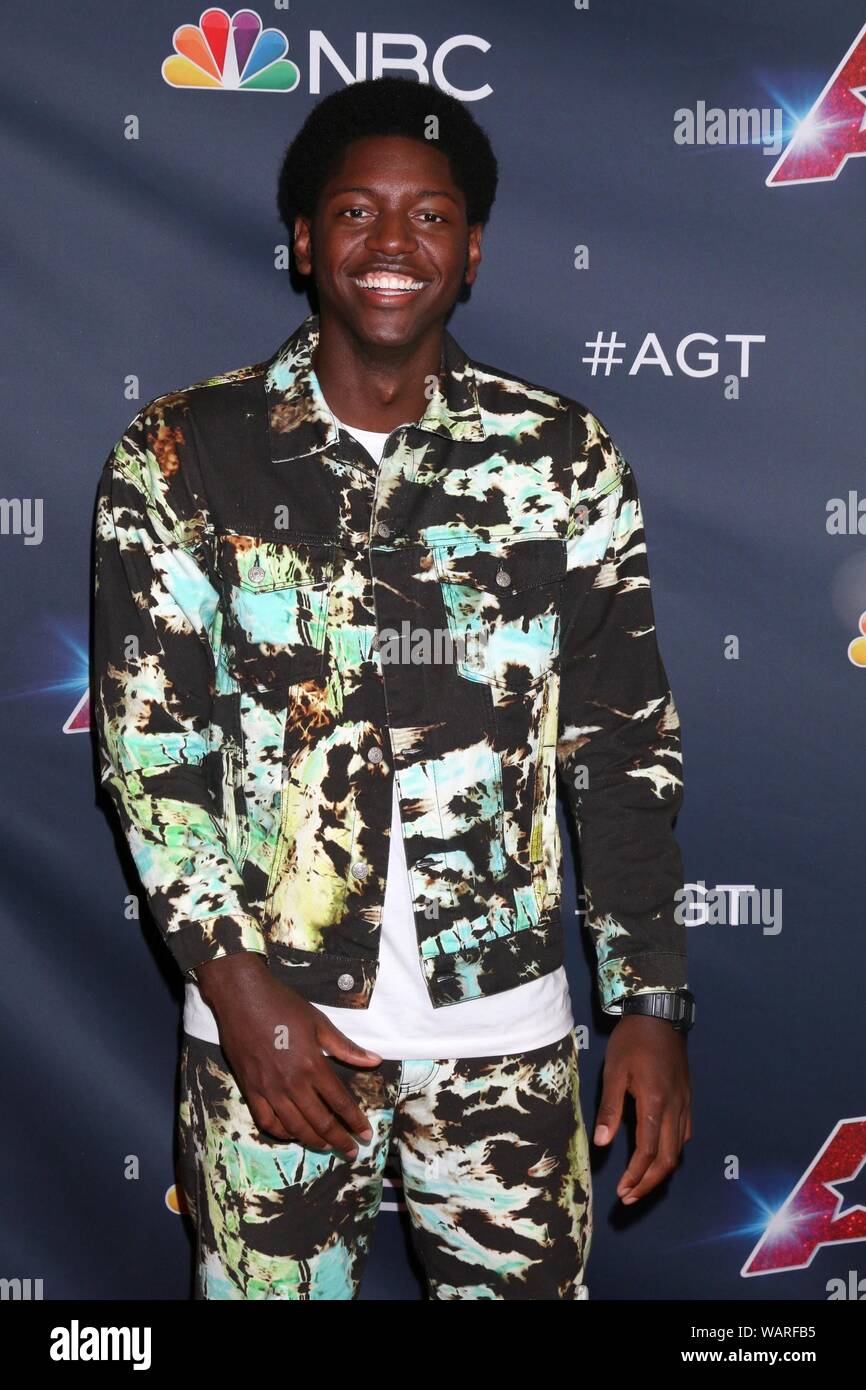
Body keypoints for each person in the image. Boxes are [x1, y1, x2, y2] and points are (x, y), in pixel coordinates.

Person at [93, 75, 693, 1301]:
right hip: (276, 1039)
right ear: (304, 239)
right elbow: (153, 760)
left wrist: (649, 999)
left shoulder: (560, 460)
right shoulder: (179, 457)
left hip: (507, 1051)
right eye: (356, 212)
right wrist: (239, 989)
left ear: (470, 253)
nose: (390, 244)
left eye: (428, 217)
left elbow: (621, 747)